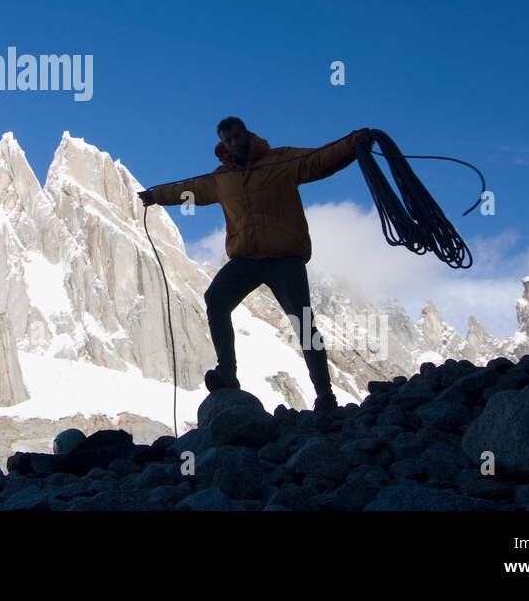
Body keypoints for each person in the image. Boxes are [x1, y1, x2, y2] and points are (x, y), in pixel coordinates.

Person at [138, 117, 369, 415]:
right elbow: (190, 189)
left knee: (303, 323)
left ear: (246, 134)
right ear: (222, 143)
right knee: (216, 300)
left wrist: (353, 143)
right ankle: (228, 373)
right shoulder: (222, 178)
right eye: (227, 140)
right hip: (246, 259)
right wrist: (156, 196)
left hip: (284, 257)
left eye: (236, 137)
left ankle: (325, 395)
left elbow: (319, 160)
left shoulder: (281, 160)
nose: (233, 143)